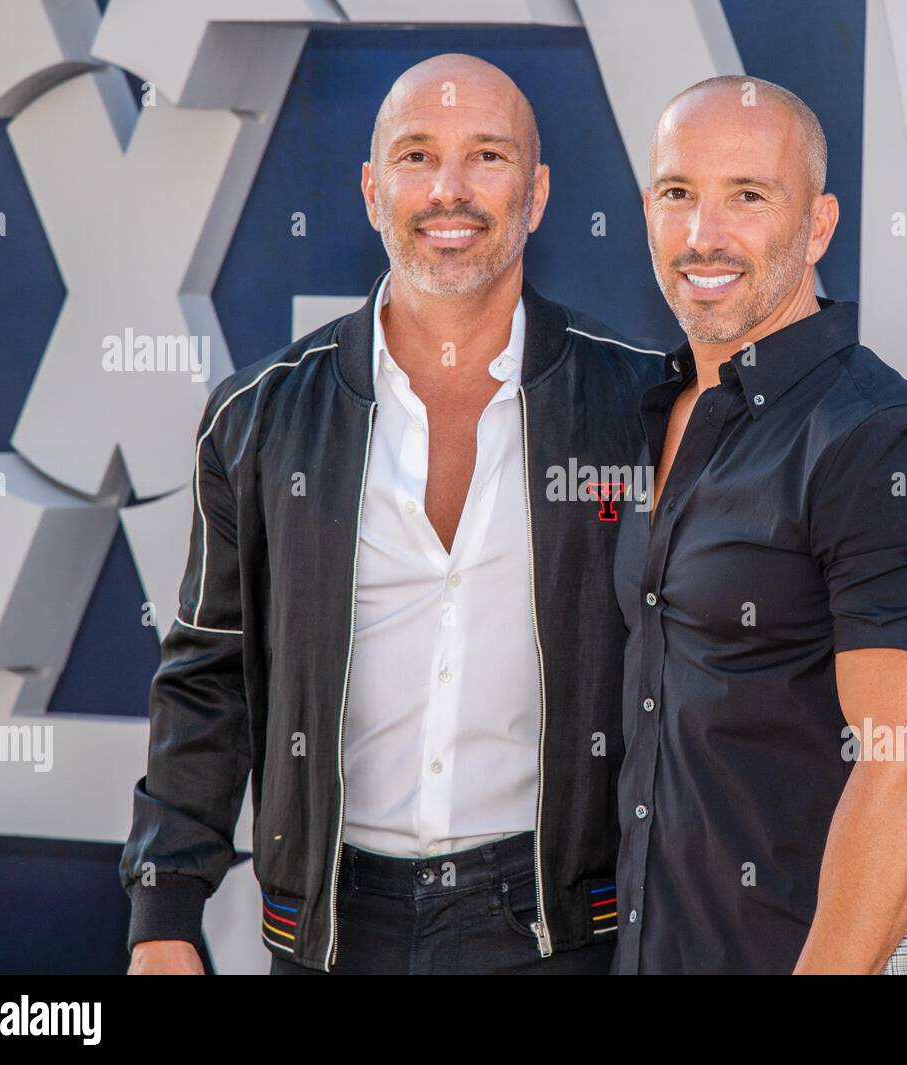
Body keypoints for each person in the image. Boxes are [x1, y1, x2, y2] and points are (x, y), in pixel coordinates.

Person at [120, 53, 661, 975]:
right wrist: (165, 915)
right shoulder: (258, 417)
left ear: (536, 194)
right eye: (417, 156)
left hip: (558, 925)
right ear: (373, 191)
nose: (449, 189)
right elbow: (212, 674)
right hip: (333, 927)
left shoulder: (642, 404)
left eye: (487, 156)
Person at [612, 75, 907, 974]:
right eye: (678, 194)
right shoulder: (663, 411)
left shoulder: (883, 439)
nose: (704, 234)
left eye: (748, 195)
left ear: (819, 226)